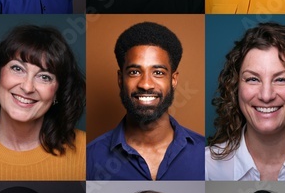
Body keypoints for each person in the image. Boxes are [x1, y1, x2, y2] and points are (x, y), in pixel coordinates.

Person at [87, 21, 206, 180]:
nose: (146, 84)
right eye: (135, 72)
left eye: (158, 72)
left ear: (173, 80)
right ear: (120, 79)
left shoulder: (205, 154)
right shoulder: (90, 158)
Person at [0, 24, 86, 181]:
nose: (27, 87)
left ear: (57, 91)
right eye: (18, 69)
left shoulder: (86, 151)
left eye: (44, 77)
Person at [206, 22, 285, 181]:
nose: (266, 96)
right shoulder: (206, 168)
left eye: (281, 79)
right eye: (253, 79)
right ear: (235, 87)